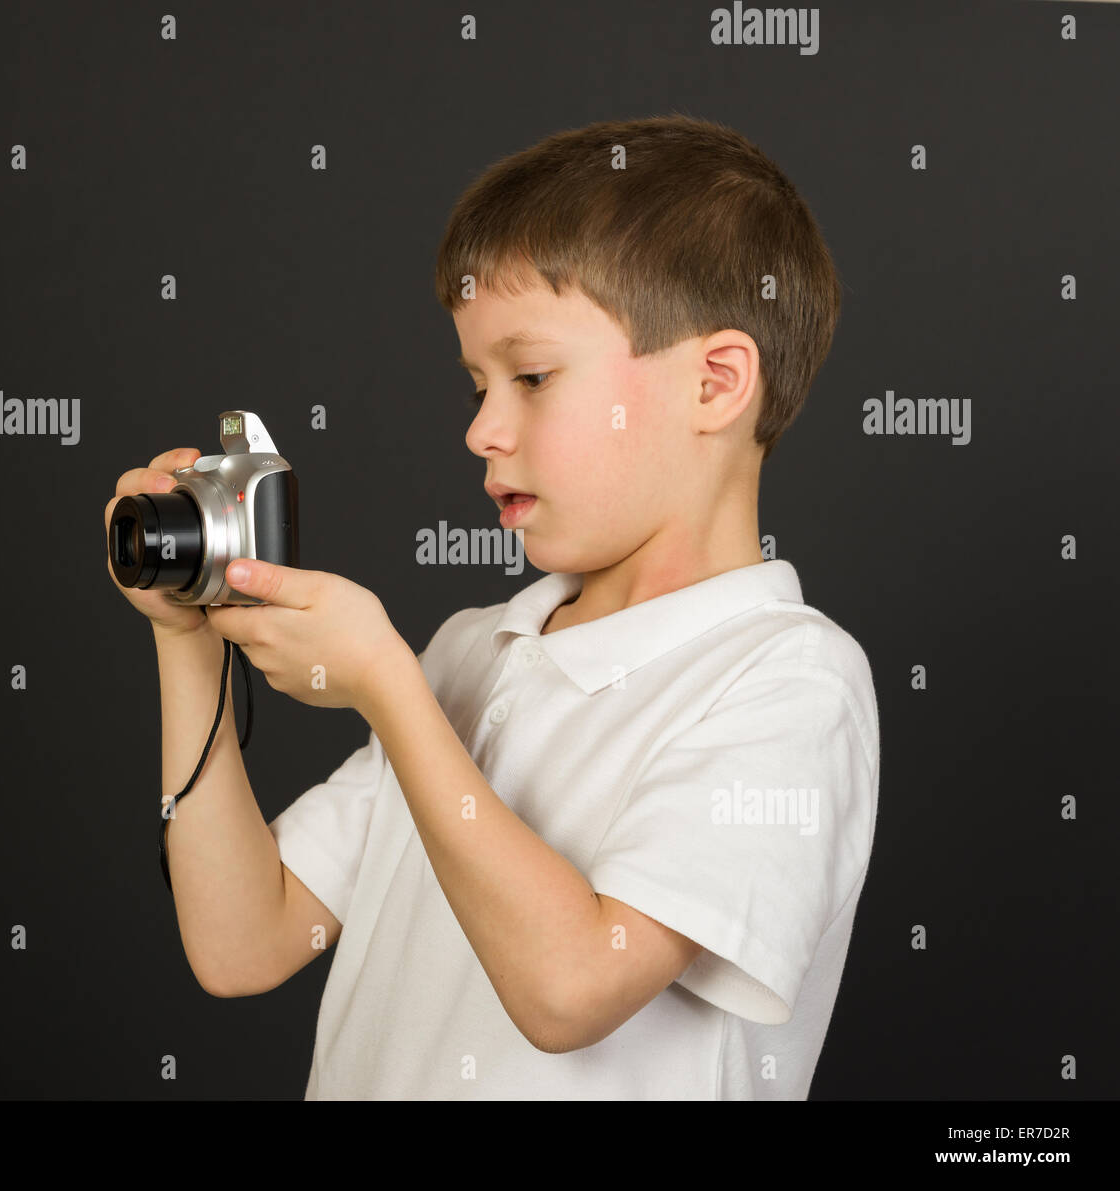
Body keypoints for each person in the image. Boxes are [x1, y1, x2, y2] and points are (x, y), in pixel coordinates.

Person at [103, 113, 879, 1099]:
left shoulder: (783, 682)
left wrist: (388, 689)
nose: (480, 429)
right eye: (475, 384)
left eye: (532, 377)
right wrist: (187, 638)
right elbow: (242, 942)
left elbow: (570, 988)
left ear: (715, 383)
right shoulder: (475, 652)